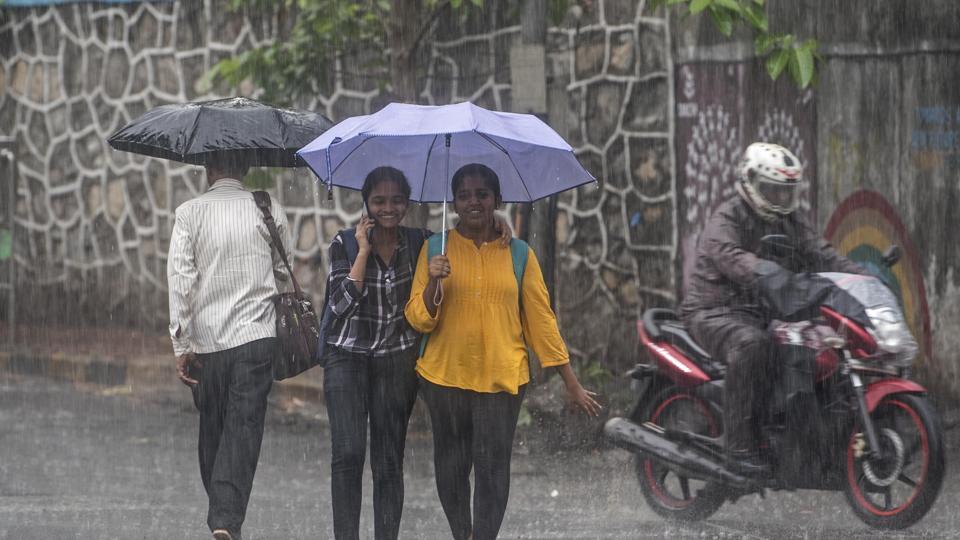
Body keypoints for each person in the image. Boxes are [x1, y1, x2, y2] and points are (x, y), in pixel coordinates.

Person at [405, 163, 602, 540]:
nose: (473, 201)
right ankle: (461, 534)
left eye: (482, 194)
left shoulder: (520, 254)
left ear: (497, 199)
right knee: (451, 467)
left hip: (502, 378)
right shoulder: (435, 249)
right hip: (445, 377)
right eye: (464, 195)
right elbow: (418, 318)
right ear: (454, 202)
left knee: (493, 470)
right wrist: (434, 279)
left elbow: (541, 322)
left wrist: (571, 383)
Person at [322, 166, 510, 540]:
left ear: (406, 204)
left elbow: (464, 234)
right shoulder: (343, 243)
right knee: (348, 454)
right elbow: (341, 305)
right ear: (367, 204)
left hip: (396, 361)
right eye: (379, 201)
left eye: (395, 200)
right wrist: (363, 251)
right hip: (347, 359)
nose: (388, 208)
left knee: (389, 460)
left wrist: (498, 222)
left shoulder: (423, 242)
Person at [679, 142, 864, 476]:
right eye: (772, 190)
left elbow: (822, 253)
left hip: (762, 314)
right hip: (714, 312)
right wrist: (765, 270)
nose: (779, 198)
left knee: (815, 349)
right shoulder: (727, 217)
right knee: (753, 345)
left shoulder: (790, 221)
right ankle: (736, 445)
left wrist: (863, 279)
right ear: (750, 181)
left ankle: (807, 440)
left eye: (785, 191)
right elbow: (732, 257)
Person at [169, 161, 291, 540]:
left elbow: (179, 279)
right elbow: (283, 269)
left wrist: (181, 342)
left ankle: (224, 516)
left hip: (208, 343)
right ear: (248, 165)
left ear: (207, 168)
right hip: (256, 336)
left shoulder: (189, 213)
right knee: (243, 427)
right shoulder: (266, 206)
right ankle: (225, 516)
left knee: (214, 432)